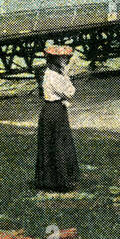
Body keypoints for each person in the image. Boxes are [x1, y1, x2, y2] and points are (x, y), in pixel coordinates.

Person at [35, 44, 80, 192]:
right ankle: (61, 181)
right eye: (62, 58)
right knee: (60, 143)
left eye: (65, 58)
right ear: (54, 59)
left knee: (50, 143)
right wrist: (66, 75)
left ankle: (49, 180)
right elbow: (70, 92)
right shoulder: (55, 76)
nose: (65, 60)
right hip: (55, 110)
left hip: (49, 110)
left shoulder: (49, 73)